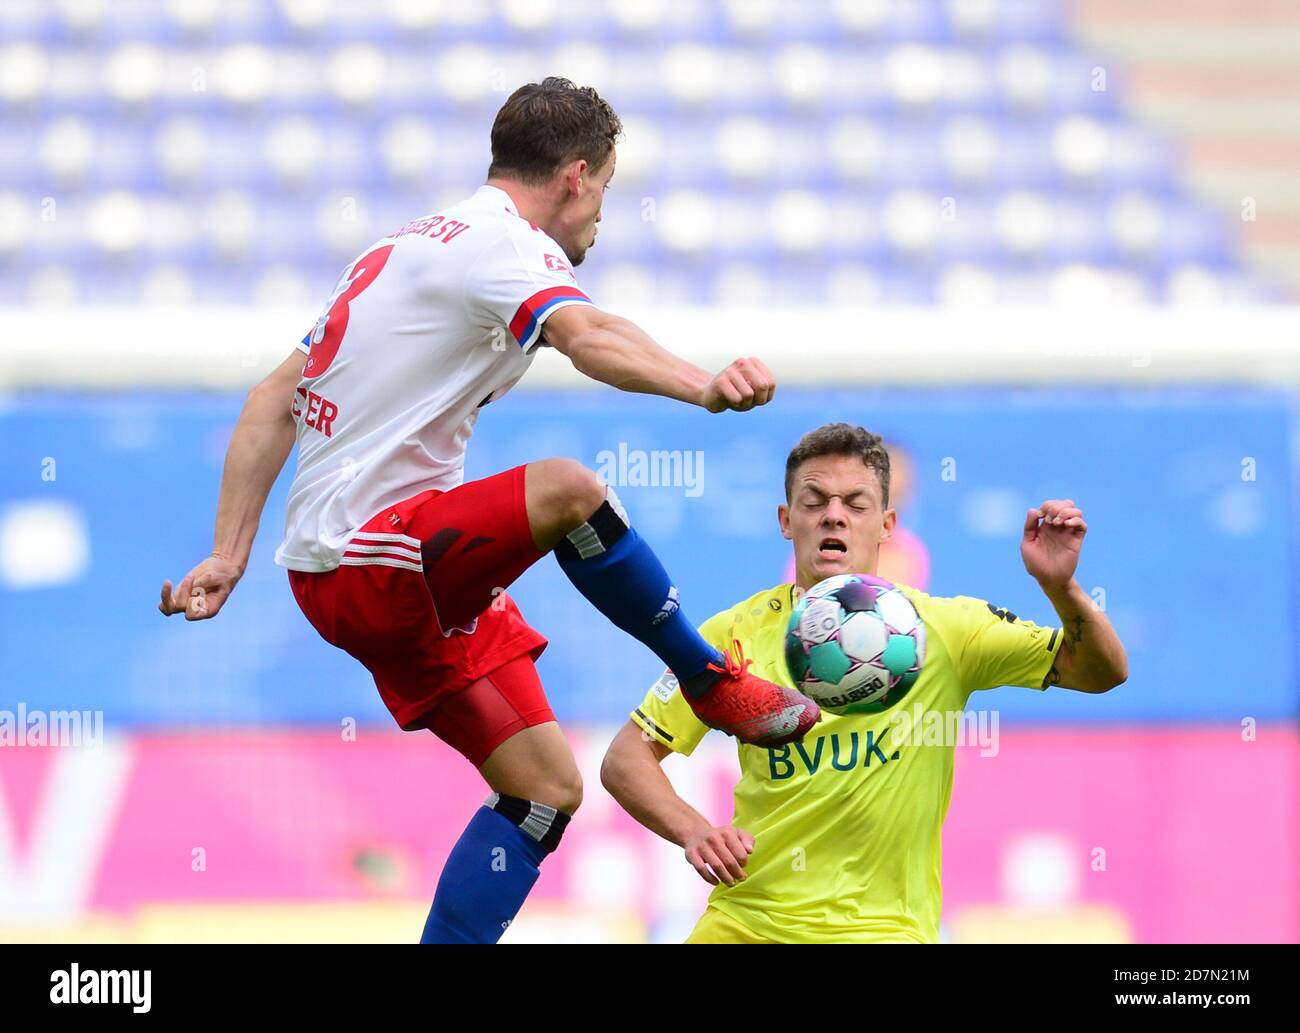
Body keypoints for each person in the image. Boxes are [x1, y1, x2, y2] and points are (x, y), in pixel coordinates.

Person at [158, 78, 818, 944]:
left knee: (545, 790)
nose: (599, 220)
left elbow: (273, 396)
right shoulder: (499, 243)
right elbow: (591, 337)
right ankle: (706, 675)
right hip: (373, 556)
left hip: (358, 579)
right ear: (577, 175)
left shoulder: (397, 249)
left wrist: (228, 551)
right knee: (571, 490)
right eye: (607, 191)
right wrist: (702, 385)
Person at [602, 422, 1127, 943]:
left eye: (856, 503)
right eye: (815, 502)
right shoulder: (731, 637)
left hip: (882, 932)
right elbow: (626, 759)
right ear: (786, 521)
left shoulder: (945, 632)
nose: (834, 514)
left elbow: (1101, 671)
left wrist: (1062, 588)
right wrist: (694, 829)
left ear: (886, 524)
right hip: (745, 923)